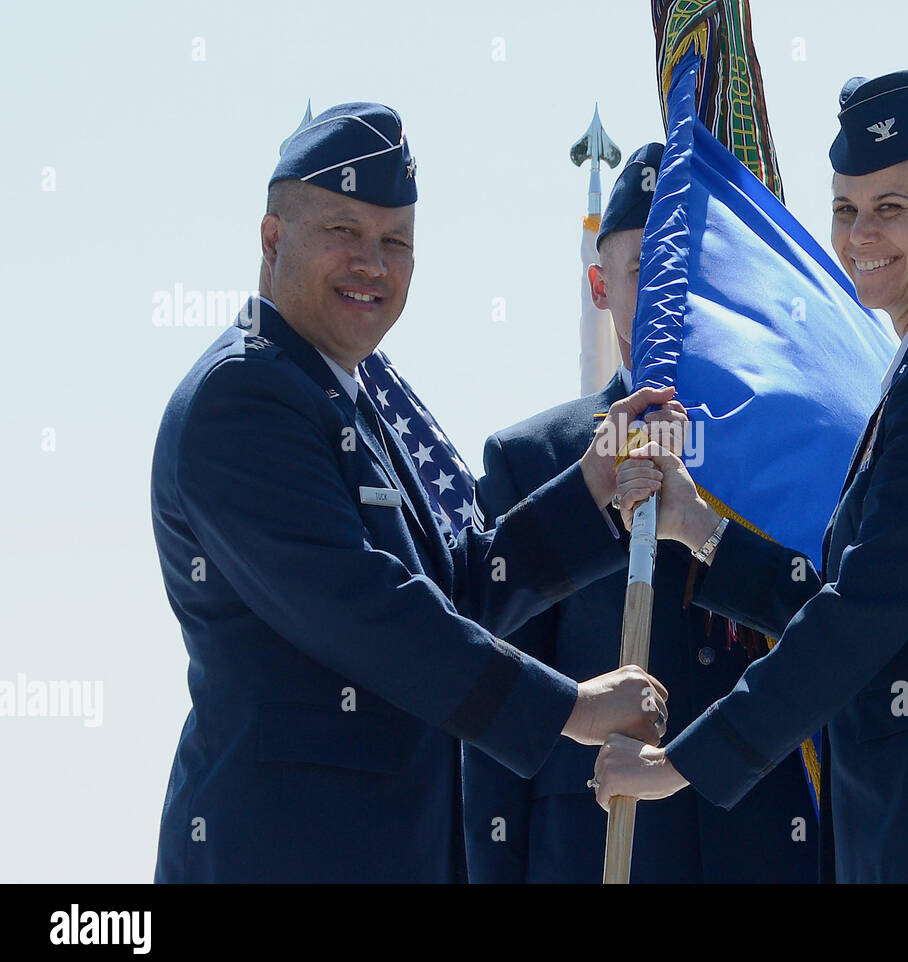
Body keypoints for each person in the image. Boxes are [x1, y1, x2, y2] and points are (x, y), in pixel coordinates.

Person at [595, 71, 908, 883]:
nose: (861, 234)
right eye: (845, 209)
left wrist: (679, 764)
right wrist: (702, 528)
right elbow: (852, 597)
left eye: (890, 208)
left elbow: (862, 616)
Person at [149, 102, 673, 883]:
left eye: (395, 241)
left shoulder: (343, 398)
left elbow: (456, 593)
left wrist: (592, 485)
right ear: (272, 239)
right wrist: (574, 709)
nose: (373, 262)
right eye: (344, 231)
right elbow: (371, 614)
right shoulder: (245, 398)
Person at [461, 144, 818, 883]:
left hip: (766, 849)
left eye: (691, 269)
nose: (671, 292)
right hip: (600, 851)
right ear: (600, 285)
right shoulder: (534, 459)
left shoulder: (791, 450)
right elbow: (494, 705)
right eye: (643, 268)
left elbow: (833, 633)